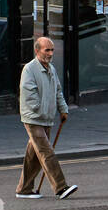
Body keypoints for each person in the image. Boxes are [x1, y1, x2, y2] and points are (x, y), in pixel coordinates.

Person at [16, 37, 77, 200]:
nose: (50, 53)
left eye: (52, 50)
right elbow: (29, 96)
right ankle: (60, 187)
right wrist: (42, 109)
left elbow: (58, 91)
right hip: (34, 118)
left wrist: (63, 110)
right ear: (37, 51)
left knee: (34, 156)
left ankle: (24, 189)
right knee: (46, 152)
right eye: (46, 50)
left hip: (47, 118)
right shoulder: (29, 69)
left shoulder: (51, 69)